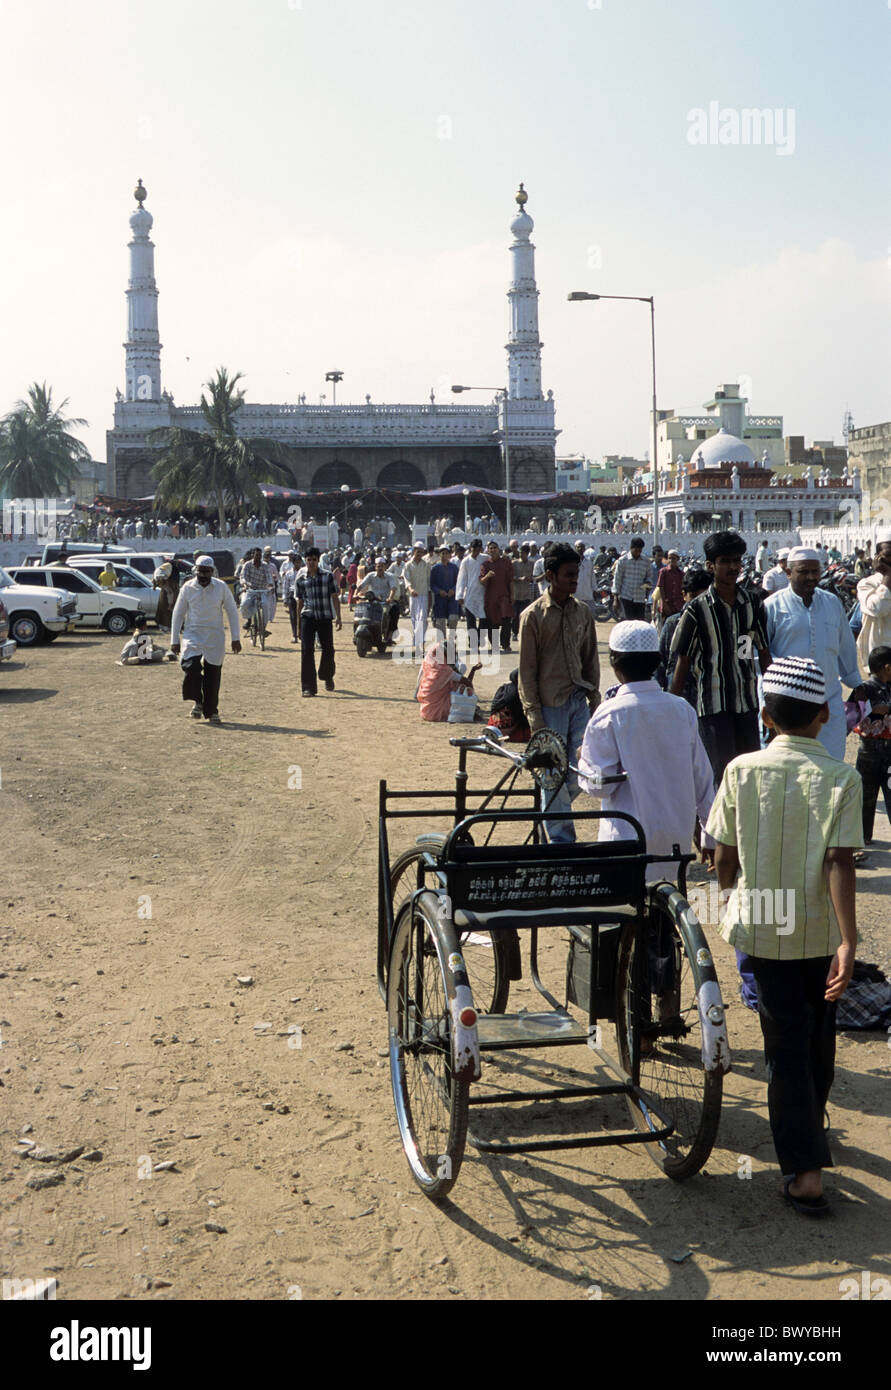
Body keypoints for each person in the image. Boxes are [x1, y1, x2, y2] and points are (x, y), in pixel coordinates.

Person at [707, 656, 861, 1216]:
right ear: (826, 714)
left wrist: (730, 888)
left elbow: (724, 857)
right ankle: (809, 1133)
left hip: (765, 921)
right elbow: (839, 863)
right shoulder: (844, 776)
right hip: (822, 929)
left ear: (766, 715)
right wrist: (849, 940)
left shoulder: (741, 770)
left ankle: (806, 1172)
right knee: (819, 1033)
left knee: (785, 1044)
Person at [577, 622, 715, 882]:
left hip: (627, 842)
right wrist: (710, 834)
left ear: (614, 663)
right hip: (675, 841)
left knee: (628, 912)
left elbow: (600, 786)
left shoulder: (609, 713)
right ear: (656, 662)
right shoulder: (681, 709)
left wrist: (582, 762)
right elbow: (703, 779)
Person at [669, 531, 771, 785]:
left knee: (750, 776)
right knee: (722, 777)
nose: (733, 567)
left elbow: (763, 652)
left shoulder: (753, 604)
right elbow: (682, 660)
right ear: (710, 566)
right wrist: (671, 709)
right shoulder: (696, 609)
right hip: (712, 707)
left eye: (737, 560)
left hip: (747, 705)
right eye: (725, 561)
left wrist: (772, 700)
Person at [518, 542, 600, 843]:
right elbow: (526, 672)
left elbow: (590, 657)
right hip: (549, 707)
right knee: (552, 775)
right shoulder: (532, 617)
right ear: (551, 576)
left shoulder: (582, 613)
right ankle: (562, 842)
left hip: (580, 701)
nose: (574, 580)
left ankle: (549, 815)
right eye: (568, 575)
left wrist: (594, 698)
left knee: (583, 770)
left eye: (576, 574)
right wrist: (535, 718)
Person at [764, 547, 861, 760]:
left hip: (828, 703)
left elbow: (845, 646)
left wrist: (856, 684)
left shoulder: (832, 603)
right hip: (788, 706)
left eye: (815, 571)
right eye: (803, 572)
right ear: (789, 573)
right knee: (790, 770)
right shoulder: (772, 606)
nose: (811, 577)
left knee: (831, 764)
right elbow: (760, 653)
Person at [170, 556, 241, 723]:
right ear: (196, 571)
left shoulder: (221, 587)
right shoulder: (187, 588)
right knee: (190, 666)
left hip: (214, 635)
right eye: (200, 571)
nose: (203, 575)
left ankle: (212, 711)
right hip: (192, 634)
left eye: (206, 572)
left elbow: (231, 611)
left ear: (212, 572)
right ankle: (198, 700)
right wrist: (174, 640)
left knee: (213, 675)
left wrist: (235, 638)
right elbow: (178, 613)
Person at [848, 645, 891, 854]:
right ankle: (863, 837)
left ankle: (864, 837)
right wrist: (873, 710)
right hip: (869, 752)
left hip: (888, 752)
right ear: (887, 668)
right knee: (866, 796)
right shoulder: (863, 689)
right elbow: (850, 718)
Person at [655, 567, 711, 700]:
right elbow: (661, 663)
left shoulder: (717, 625)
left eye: (704, 598)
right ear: (684, 595)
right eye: (694, 597)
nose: (698, 603)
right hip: (677, 698)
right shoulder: (672, 624)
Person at [296, 548, 341, 695]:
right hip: (308, 618)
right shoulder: (301, 579)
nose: (311, 562)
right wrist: (298, 627)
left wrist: (339, 617)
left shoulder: (327, 576)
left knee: (328, 650)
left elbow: (334, 597)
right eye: (308, 559)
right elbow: (300, 602)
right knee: (307, 651)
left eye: (314, 559)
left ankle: (327, 675)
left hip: (324, 617)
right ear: (305, 561)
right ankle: (308, 687)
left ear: (318, 560)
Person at [416, 643, 482, 721]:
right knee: (461, 689)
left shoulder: (431, 666)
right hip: (437, 711)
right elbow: (467, 683)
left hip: (425, 711)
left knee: (456, 685)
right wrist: (473, 671)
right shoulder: (444, 670)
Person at [856, 530, 891, 675]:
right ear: (877, 558)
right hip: (881, 664)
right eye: (889, 555)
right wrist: (888, 576)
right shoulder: (867, 584)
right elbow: (879, 609)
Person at [479, 540, 514, 654]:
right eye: (490, 548)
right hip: (491, 599)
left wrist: (512, 595)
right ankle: (494, 645)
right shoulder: (485, 565)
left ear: (499, 549)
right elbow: (482, 581)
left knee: (506, 620)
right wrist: (488, 576)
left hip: (504, 596)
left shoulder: (506, 562)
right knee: (492, 623)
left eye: (495, 547)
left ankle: (506, 644)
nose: (493, 550)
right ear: (488, 551)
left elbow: (510, 581)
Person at [356, 556, 400, 642]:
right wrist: (356, 593)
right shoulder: (370, 575)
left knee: (395, 609)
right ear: (375, 567)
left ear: (385, 567)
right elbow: (361, 585)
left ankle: (389, 634)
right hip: (373, 600)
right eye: (378, 566)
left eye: (382, 566)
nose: (380, 568)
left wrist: (390, 598)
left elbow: (393, 588)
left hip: (385, 602)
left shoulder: (390, 576)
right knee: (361, 611)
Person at [456, 537, 487, 653]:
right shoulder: (466, 561)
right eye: (474, 549)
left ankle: (479, 639)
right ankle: (474, 643)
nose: (476, 552)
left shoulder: (485, 558)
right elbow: (461, 578)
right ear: (471, 548)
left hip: (482, 594)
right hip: (469, 594)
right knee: (470, 621)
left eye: (479, 549)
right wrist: (459, 595)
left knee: (483, 620)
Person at [403, 542, 431, 656]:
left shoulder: (426, 565)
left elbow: (429, 580)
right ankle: (418, 644)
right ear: (414, 551)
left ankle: (420, 644)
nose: (419, 554)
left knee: (422, 619)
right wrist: (410, 589)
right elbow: (406, 579)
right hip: (413, 596)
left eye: (421, 552)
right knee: (415, 620)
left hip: (424, 595)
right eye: (417, 551)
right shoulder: (408, 565)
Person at [239, 548, 276, 636]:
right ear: (253, 555)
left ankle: (263, 628)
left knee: (266, 606)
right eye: (257, 555)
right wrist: (245, 584)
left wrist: (270, 586)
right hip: (250, 590)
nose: (258, 557)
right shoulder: (247, 565)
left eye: (260, 555)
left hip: (262, 591)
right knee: (244, 604)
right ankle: (248, 619)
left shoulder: (265, 566)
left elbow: (269, 578)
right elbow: (243, 577)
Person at [611, 537, 650, 620]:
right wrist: (615, 599)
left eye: (640, 551)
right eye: (636, 551)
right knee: (627, 622)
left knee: (639, 624)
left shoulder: (646, 561)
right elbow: (617, 579)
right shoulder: (622, 561)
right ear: (631, 548)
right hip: (626, 597)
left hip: (640, 598)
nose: (638, 553)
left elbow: (649, 577)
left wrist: (647, 584)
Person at [429, 545, 460, 640]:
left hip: (452, 598)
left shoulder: (454, 568)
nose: (445, 555)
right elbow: (432, 584)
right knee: (440, 622)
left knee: (453, 618)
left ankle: (452, 635)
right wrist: (439, 591)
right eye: (443, 553)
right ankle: (442, 644)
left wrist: (454, 589)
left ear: (450, 555)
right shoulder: (434, 568)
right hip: (440, 599)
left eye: (447, 553)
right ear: (439, 554)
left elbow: (459, 581)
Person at [511, 543, 535, 637]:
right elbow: (510, 577)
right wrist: (519, 579)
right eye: (520, 553)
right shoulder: (514, 563)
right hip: (516, 594)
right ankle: (515, 632)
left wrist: (530, 579)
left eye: (523, 553)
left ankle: (524, 632)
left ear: (527, 553)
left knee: (525, 615)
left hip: (527, 594)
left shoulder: (532, 564)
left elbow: (535, 577)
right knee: (515, 615)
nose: (521, 555)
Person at [655, 548, 684, 624]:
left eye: (673, 558)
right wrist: (664, 604)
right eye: (669, 558)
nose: (671, 560)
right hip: (667, 606)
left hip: (678, 606)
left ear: (677, 559)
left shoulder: (681, 574)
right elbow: (661, 587)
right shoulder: (663, 572)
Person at [280, 551, 301, 643]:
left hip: (302, 596)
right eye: (297, 562)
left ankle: (302, 634)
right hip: (292, 595)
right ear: (293, 563)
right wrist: (285, 599)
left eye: (300, 562)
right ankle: (294, 635)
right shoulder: (289, 573)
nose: (298, 564)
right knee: (293, 616)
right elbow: (285, 586)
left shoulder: (304, 572)